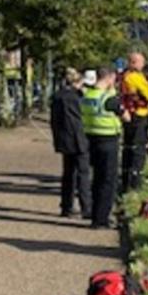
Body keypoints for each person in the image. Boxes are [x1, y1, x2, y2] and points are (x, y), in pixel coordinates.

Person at [80, 65, 124, 229]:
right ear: (110, 77)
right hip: (108, 140)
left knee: (97, 179)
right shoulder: (108, 99)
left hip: (91, 138)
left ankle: (94, 214)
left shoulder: (88, 95)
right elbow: (125, 116)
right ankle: (102, 219)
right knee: (108, 181)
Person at [50, 68, 91, 219]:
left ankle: (66, 206)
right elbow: (81, 118)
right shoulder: (77, 97)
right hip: (78, 138)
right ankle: (86, 207)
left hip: (64, 139)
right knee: (83, 174)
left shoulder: (57, 96)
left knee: (68, 174)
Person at [119, 53, 148, 192]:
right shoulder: (135, 77)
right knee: (138, 150)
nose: (143, 64)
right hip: (138, 115)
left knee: (128, 148)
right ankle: (134, 183)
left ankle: (126, 180)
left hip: (129, 116)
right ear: (134, 63)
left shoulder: (124, 76)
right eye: (142, 62)